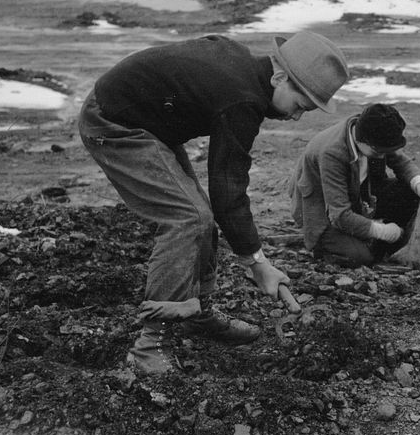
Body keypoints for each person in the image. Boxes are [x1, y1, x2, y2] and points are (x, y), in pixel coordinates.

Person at [78, 31, 350, 375]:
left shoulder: (244, 66)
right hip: (113, 122)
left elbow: (224, 193)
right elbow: (228, 190)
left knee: (198, 214)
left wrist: (254, 258)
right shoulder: (241, 100)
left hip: (146, 122)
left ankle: (197, 315)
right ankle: (150, 346)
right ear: (279, 77)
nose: (296, 117)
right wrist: (257, 263)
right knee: (189, 218)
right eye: (299, 106)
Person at [289, 103, 420, 267]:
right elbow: (339, 215)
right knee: (362, 258)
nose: (382, 157)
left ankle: (385, 243)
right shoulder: (332, 153)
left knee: (413, 193)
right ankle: (327, 247)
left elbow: (403, 164)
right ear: (362, 141)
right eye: (378, 152)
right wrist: (383, 231)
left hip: (358, 192)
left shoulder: (373, 127)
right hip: (321, 208)